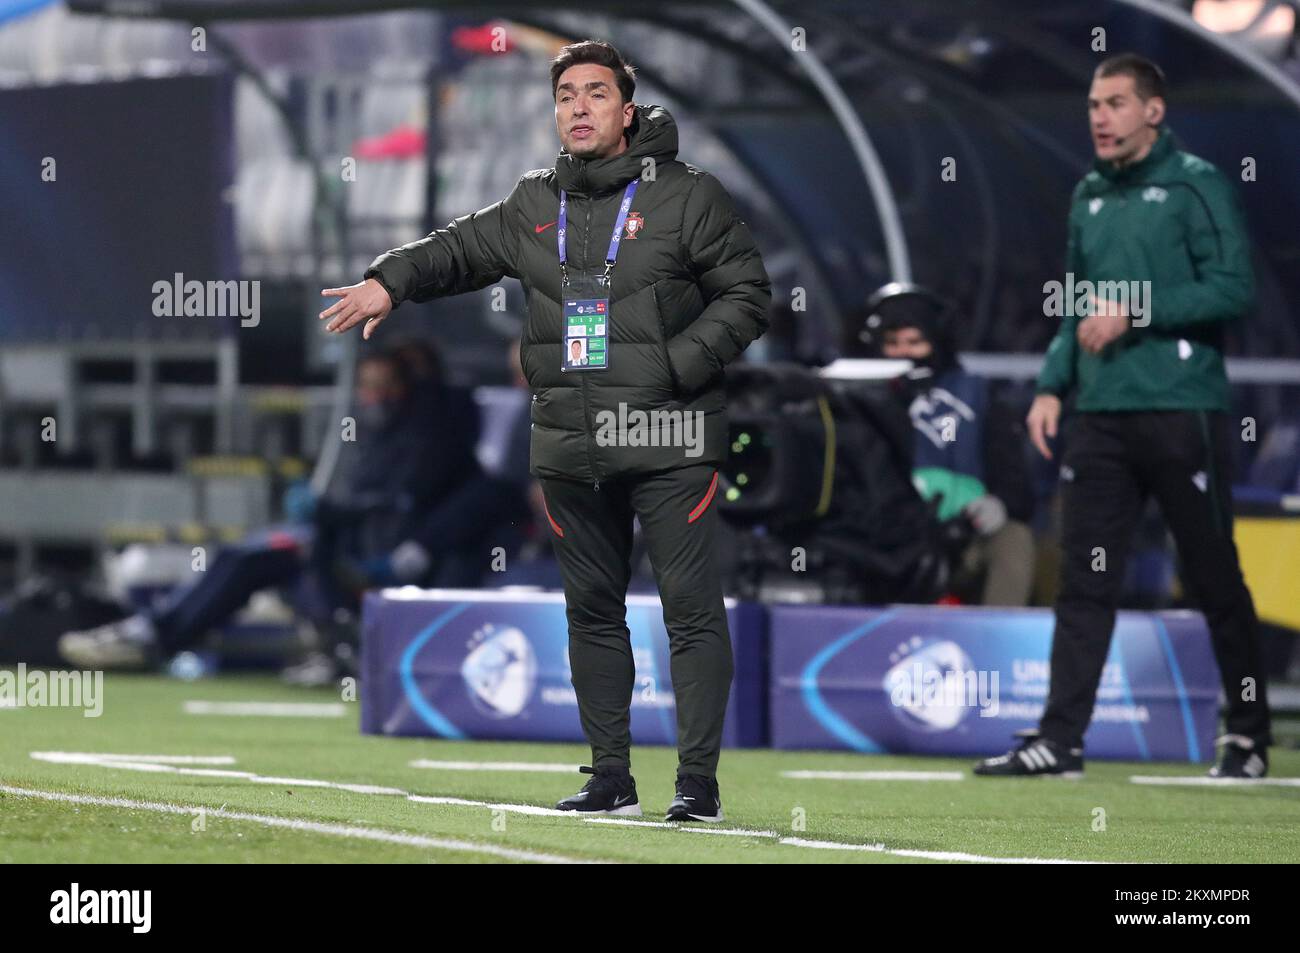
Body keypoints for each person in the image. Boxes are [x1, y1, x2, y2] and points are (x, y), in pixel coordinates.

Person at [319, 39, 770, 820]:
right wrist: (387, 281)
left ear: (627, 110)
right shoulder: (535, 202)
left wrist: (673, 366)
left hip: (668, 433)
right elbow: (456, 249)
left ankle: (696, 781)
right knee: (591, 610)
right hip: (572, 441)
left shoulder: (687, 195)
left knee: (688, 608)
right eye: (566, 96)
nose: (579, 107)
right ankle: (611, 777)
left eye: (596, 93)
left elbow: (749, 295)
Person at [975, 54, 1272, 779]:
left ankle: (1249, 731)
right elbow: (1076, 300)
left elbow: (1235, 287)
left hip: (1180, 410)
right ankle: (1060, 740)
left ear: (1153, 110)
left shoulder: (1196, 186)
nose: (1099, 117)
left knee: (1211, 577)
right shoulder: (1087, 196)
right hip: (1101, 414)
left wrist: (1136, 310)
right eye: (1092, 105)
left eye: (1113, 103)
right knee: (1084, 579)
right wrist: (1051, 386)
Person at [57, 350, 480, 674]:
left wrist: (328, 514)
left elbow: (392, 505)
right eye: (367, 386)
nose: (375, 397)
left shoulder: (431, 443)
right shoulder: (377, 440)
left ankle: (157, 634)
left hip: (364, 554)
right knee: (245, 553)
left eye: (385, 385)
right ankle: (155, 630)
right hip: (336, 543)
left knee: (260, 553)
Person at [869, 284, 1035, 606]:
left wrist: (998, 505)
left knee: (1014, 539)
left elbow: (1017, 486)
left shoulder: (980, 398)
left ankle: (996, 643)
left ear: (936, 342)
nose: (904, 354)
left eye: (915, 342)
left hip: (962, 541)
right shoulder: (862, 400)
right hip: (884, 546)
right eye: (892, 344)